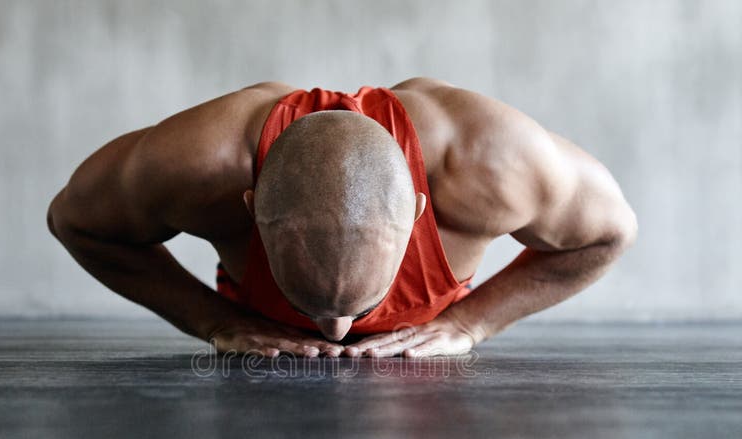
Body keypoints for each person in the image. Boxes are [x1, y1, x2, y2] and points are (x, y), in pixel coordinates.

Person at [47, 78, 637, 357]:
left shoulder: (488, 162)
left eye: (359, 306)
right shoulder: (197, 168)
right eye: (311, 307)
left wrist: (474, 323)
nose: (338, 334)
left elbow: (611, 233)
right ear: (250, 208)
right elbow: (74, 220)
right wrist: (210, 320)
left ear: (416, 213)